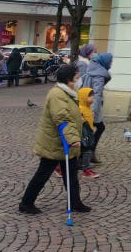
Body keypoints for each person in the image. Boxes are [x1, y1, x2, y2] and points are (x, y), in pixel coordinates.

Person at [19, 63, 91, 214]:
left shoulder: (69, 93)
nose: (79, 81)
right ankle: (26, 203)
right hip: (55, 143)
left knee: (71, 175)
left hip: (65, 143)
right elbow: (62, 118)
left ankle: (75, 202)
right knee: (43, 174)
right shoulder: (57, 95)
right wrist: (73, 138)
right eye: (76, 78)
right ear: (68, 79)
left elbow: (70, 114)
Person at [78, 52, 112, 164]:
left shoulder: (92, 68)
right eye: (110, 61)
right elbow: (97, 94)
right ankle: (86, 155)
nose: (111, 64)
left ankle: (87, 154)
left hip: (84, 102)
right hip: (91, 104)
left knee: (88, 129)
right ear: (105, 62)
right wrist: (92, 111)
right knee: (94, 129)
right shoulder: (100, 75)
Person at [77, 87, 100, 179]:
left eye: (93, 96)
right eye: (90, 96)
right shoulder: (80, 109)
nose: (92, 98)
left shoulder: (87, 108)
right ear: (83, 97)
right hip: (82, 135)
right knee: (87, 151)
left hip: (87, 133)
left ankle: (81, 167)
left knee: (83, 152)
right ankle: (86, 170)